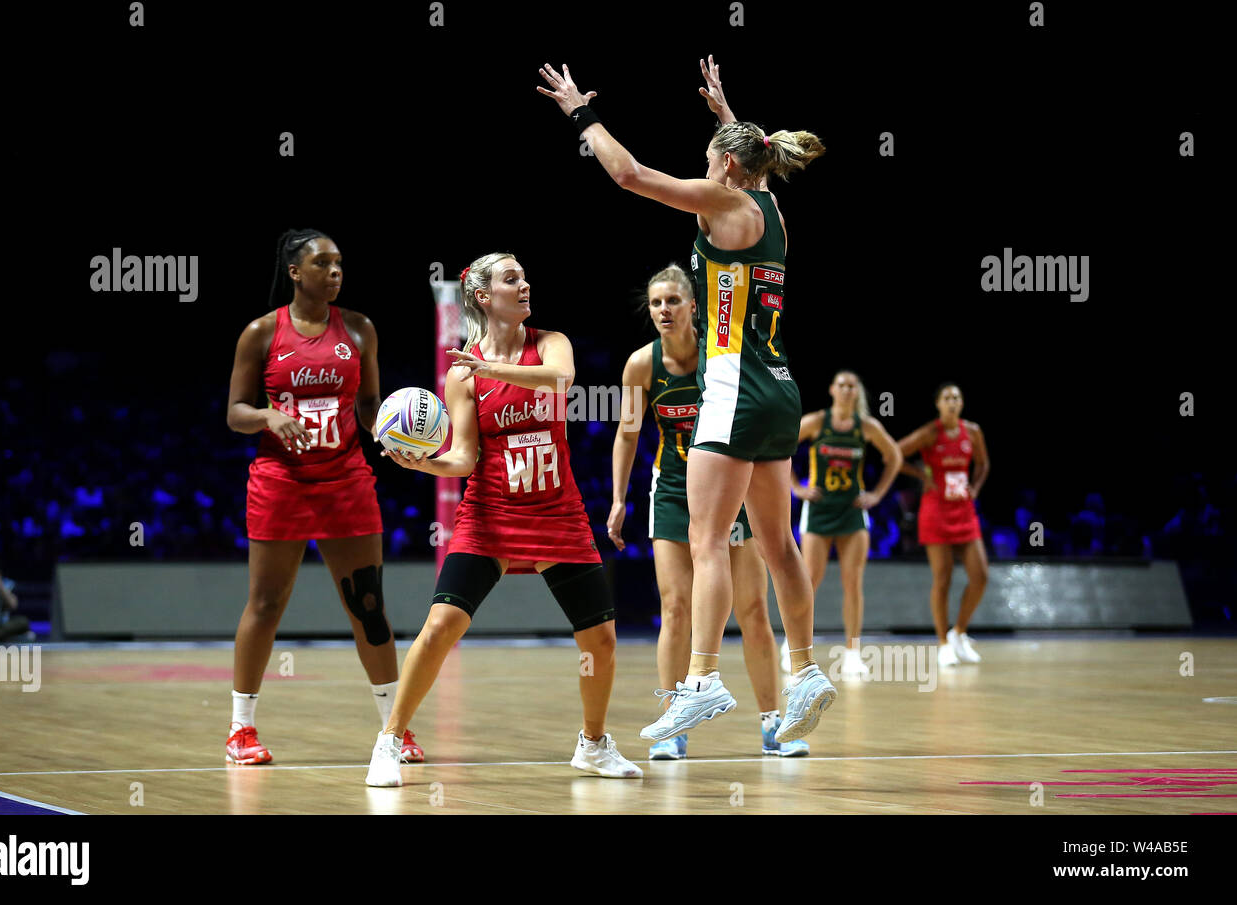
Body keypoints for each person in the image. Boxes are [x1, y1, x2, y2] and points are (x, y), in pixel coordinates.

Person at [539, 57, 836, 745]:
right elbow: (750, 157)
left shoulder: (724, 203)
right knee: (778, 544)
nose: (702, 169)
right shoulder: (770, 210)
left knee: (706, 541)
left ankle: (701, 681)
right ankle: (807, 668)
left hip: (732, 391)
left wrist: (580, 113)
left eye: (707, 159)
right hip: (782, 391)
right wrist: (730, 117)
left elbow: (629, 175)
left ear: (726, 170)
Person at [366, 253, 642, 786]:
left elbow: (561, 380)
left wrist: (489, 367)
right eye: (511, 279)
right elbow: (464, 458)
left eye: (524, 276)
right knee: (442, 625)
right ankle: (389, 741)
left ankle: (593, 744)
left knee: (601, 640)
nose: (525, 284)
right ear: (482, 296)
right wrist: (422, 462)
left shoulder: (550, 342)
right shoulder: (461, 376)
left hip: (557, 511)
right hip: (489, 513)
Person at [224, 228, 424, 765]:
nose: (335, 272)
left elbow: (369, 405)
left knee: (369, 607)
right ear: (295, 272)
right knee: (266, 604)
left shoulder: (359, 330)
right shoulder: (261, 334)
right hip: (281, 482)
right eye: (322, 263)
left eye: (340, 263)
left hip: (346, 481)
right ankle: (241, 730)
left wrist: (401, 430)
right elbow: (236, 412)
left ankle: (393, 728)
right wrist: (269, 414)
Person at [610, 264, 808, 757]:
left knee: (754, 609)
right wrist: (617, 500)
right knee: (675, 609)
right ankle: (673, 723)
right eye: (656, 303)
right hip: (674, 491)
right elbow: (628, 433)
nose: (663, 310)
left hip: (731, 488)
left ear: (694, 305)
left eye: (673, 301)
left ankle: (772, 722)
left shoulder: (721, 357)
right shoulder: (640, 366)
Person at [788, 371, 903, 678]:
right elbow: (780, 446)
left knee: (853, 584)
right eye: (841, 384)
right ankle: (795, 648)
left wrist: (877, 494)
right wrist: (796, 488)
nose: (847, 389)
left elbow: (895, 456)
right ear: (832, 389)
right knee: (808, 582)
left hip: (852, 512)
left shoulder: (867, 427)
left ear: (857, 392)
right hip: (819, 510)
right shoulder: (815, 422)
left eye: (852, 385)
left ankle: (852, 653)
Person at [896, 383, 991, 667]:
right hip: (935, 510)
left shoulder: (972, 432)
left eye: (957, 397)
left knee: (981, 575)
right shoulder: (929, 433)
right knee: (943, 578)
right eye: (947, 398)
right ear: (938, 404)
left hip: (963, 509)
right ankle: (943, 643)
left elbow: (983, 464)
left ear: (962, 403)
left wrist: (975, 487)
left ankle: (959, 632)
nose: (952, 402)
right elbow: (895, 453)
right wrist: (920, 475)